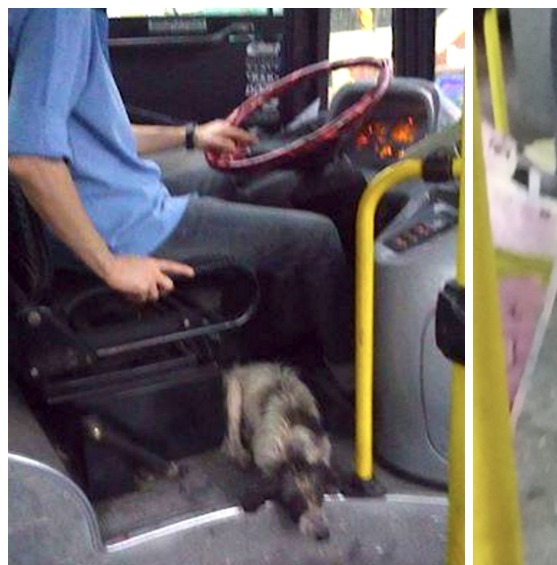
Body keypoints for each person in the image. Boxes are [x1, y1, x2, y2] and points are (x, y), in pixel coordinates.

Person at [8, 8, 353, 390]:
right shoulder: (61, 13)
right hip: (121, 224)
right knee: (317, 240)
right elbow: (29, 157)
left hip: (110, 194)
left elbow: (100, 132)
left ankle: (265, 342)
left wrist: (192, 136)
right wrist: (111, 266)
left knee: (228, 179)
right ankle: (352, 385)